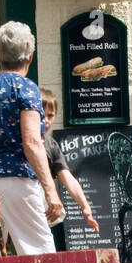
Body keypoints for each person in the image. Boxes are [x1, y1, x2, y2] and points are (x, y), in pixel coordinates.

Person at [0, 23, 64, 259]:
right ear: (30, 56)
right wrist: (50, 191)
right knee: (38, 252)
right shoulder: (27, 89)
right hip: (16, 180)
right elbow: (32, 142)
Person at [39, 89, 99, 238]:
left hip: (40, 206)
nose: (46, 120)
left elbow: (68, 178)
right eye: (41, 115)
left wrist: (85, 207)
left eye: (50, 115)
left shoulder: (50, 144)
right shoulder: (18, 140)